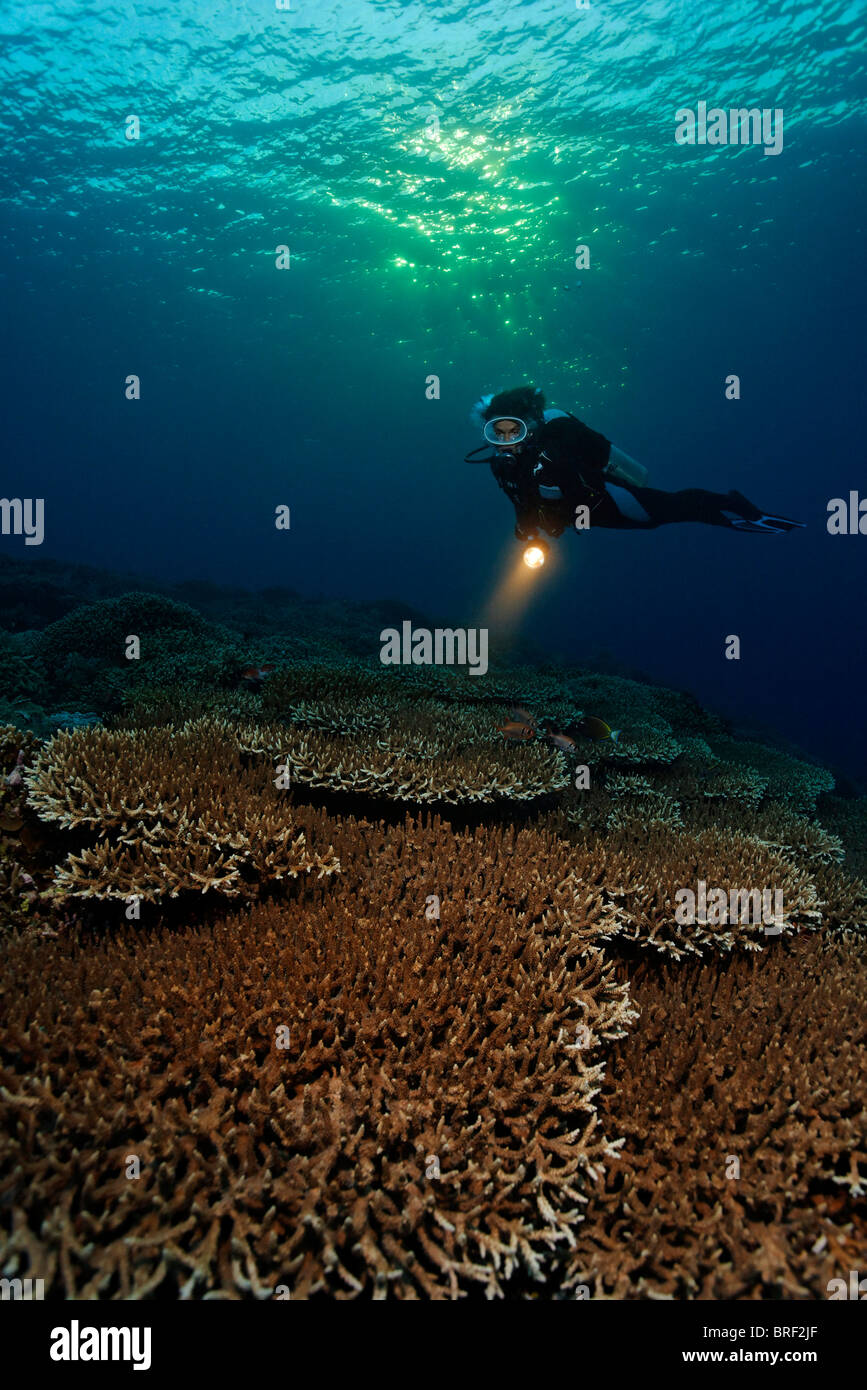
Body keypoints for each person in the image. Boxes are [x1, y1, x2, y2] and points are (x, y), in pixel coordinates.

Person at [467, 385, 805, 540]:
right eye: (499, 433)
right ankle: (729, 510)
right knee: (661, 515)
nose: (508, 441)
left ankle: (737, 507)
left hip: (609, 500)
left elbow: (576, 479)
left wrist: (555, 473)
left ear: (530, 425)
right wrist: (526, 528)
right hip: (584, 519)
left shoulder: (555, 442)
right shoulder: (503, 467)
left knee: (667, 510)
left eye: (515, 431)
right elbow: (520, 499)